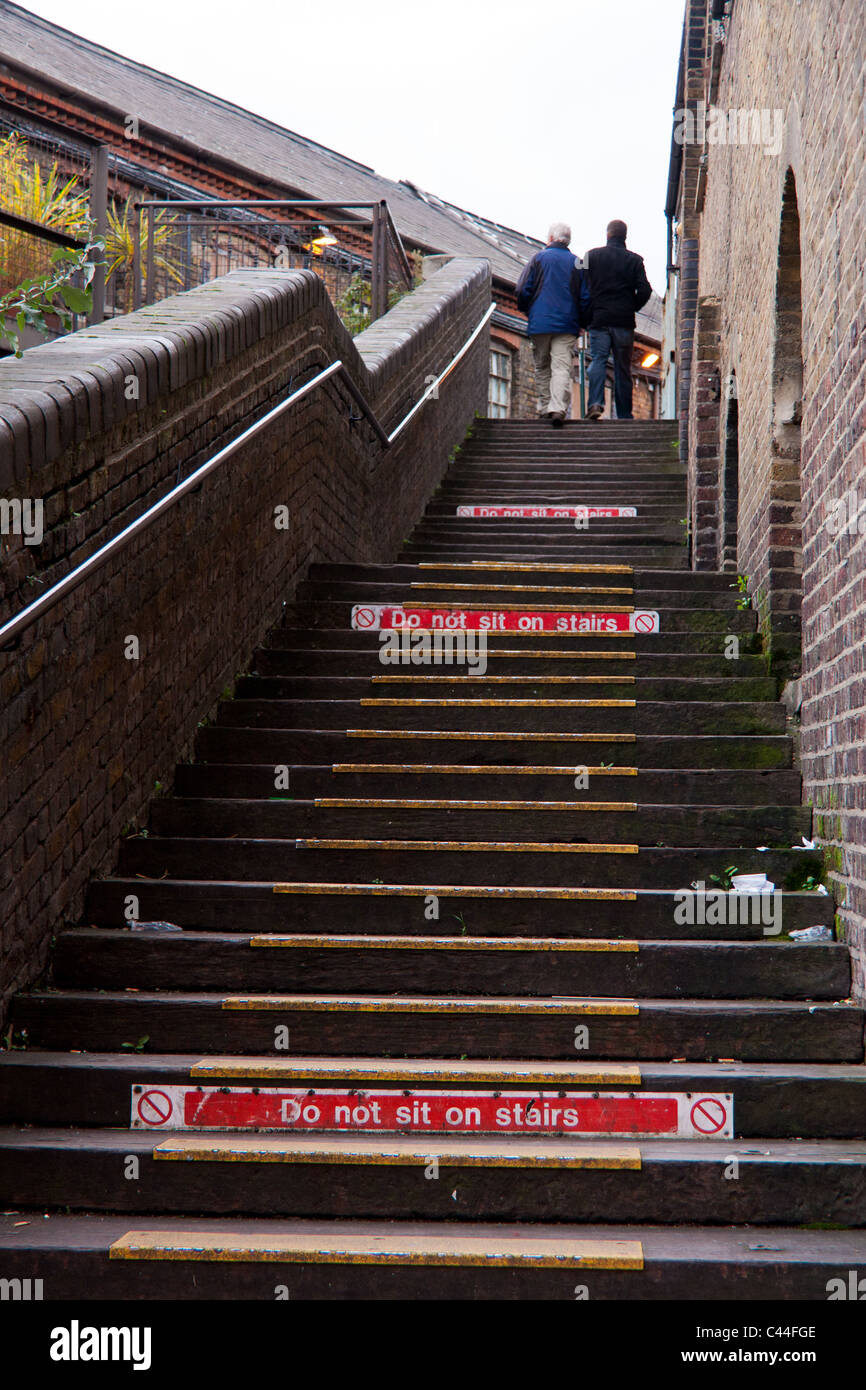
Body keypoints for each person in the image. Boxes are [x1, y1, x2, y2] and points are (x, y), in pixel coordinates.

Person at [516, 223, 590, 427]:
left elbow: (522, 289)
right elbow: (586, 297)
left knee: (542, 366)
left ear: (549, 238)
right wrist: (582, 322)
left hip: (539, 323)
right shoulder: (579, 263)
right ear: (569, 240)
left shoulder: (538, 258)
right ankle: (557, 409)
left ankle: (544, 406)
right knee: (561, 367)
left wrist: (528, 311)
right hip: (567, 324)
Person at [585, 219, 652, 420]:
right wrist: (632, 306)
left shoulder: (591, 256)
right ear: (625, 236)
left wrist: (587, 312)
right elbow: (645, 290)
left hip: (599, 319)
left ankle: (596, 403)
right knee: (623, 368)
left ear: (607, 235)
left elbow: (581, 286)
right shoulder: (635, 261)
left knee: (598, 359)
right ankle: (624, 414)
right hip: (623, 321)